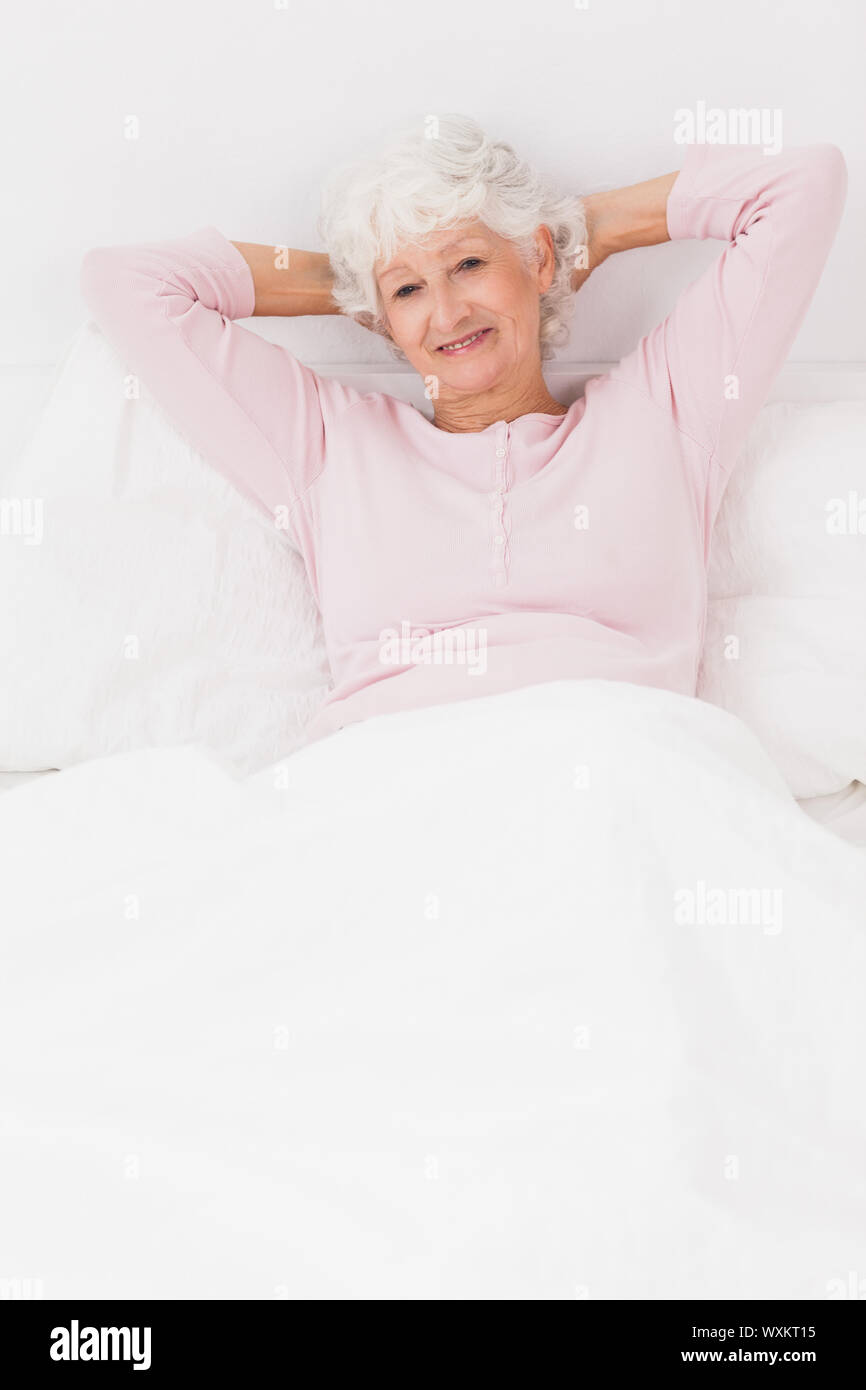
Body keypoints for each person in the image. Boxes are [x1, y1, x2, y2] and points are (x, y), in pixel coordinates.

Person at [79, 114, 847, 743]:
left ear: (538, 260)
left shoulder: (664, 413)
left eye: (471, 264)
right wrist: (359, 282)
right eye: (411, 289)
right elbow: (129, 284)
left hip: (618, 775)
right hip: (385, 796)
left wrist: (583, 230)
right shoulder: (330, 449)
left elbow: (802, 183)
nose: (446, 314)